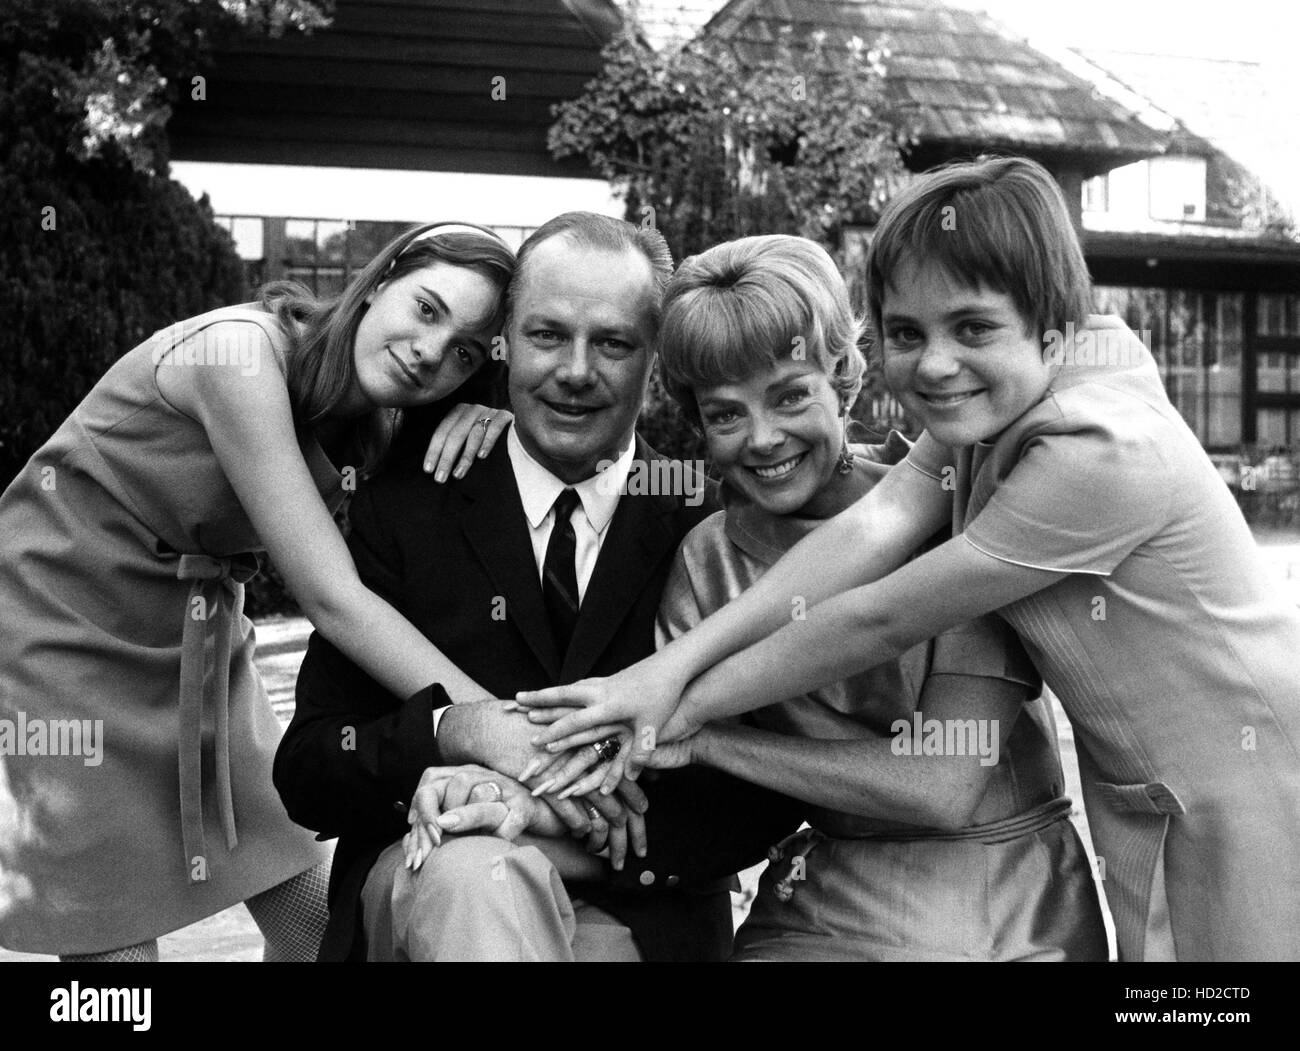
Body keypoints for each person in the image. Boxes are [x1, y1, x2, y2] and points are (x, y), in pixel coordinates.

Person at [519, 159, 1300, 962]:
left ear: (1049, 317)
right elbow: (874, 526)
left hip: (1249, 783)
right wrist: (667, 678)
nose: (933, 364)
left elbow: (878, 616)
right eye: (907, 332)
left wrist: (680, 709)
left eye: (972, 328)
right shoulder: (997, 407)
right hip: (1142, 799)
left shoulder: (1095, 449)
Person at [524, 234, 1106, 961]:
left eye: (791, 395)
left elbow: (941, 786)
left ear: (846, 376)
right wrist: (521, 804)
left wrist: (707, 736)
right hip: (820, 891)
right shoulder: (704, 560)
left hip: (999, 892)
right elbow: (675, 788)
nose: (763, 439)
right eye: (726, 413)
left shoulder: (957, 511)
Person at [274, 212, 800, 962]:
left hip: (643, 917)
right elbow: (310, 767)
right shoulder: (406, 506)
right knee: (477, 872)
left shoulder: (705, 523)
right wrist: (452, 731)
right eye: (547, 335)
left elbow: (760, 789)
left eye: (613, 342)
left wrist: (541, 810)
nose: (576, 370)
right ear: (504, 343)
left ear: (655, 360)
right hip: (438, 892)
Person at [0, 221, 517, 961]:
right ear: (375, 284)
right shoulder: (240, 355)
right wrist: (499, 728)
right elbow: (333, 596)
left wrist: (494, 421)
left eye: (465, 352)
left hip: (195, 636)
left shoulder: (381, 421)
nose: (431, 352)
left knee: (308, 918)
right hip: (57, 618)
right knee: (113, 951)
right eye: (427, 309)